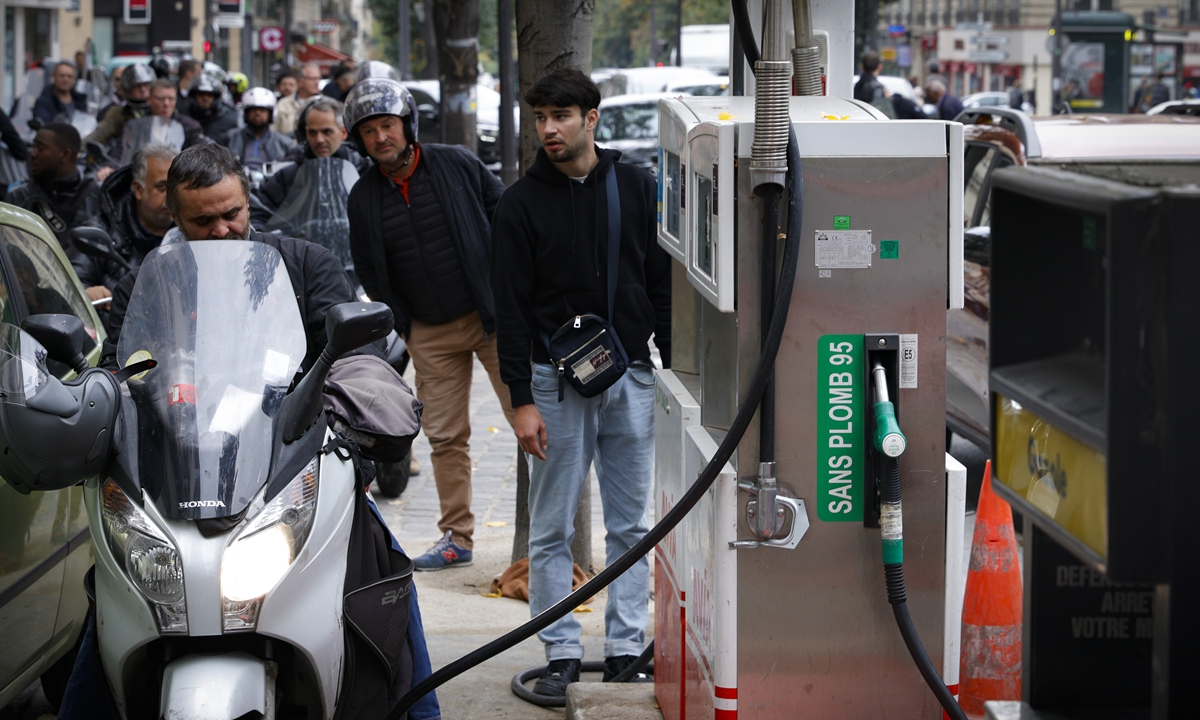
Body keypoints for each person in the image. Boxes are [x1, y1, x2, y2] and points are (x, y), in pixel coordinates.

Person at [62, 143, 442, 720]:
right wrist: (100, 404)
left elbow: (357, 353)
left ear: (248, 201)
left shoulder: (304, 263)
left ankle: (422, 712)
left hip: (292, 464)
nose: (222, 229)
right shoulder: (154, 280)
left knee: (385, 570)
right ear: (173, 215)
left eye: (231, 213)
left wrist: (361, 402)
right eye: (203, 220)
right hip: (177, 479)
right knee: (117, 596)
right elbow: (125, 369)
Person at [490, 68, 671, 696]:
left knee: (631, 525)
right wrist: (519, 401)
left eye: (561, 115)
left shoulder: (636, 184)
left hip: (631, 377)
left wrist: (667, 370)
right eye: (540, 117)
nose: (548, 129)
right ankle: (560, 651)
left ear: (591, 118)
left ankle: (626, 647)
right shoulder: (518, 204)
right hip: (552, 384)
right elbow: (508, 311)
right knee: (551, 528)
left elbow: (660, 284)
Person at [346, 77, 516, 571]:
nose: (381, 137)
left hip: (492, 320)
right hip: (429, 333)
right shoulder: (363, 197)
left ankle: (551, 532)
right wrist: (402, 321)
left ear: (407, 125)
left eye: (388, 125)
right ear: (359, 141)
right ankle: (456, 538)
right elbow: (368, 269)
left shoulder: (455, 163)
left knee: (530, 422)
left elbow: (503, 213)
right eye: (370, 131)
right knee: (444, 437)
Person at [73, 142, 178, 304]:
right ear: (138, 189)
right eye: (162, 187)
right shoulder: (101, 232)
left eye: (175, 187)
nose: (171, 197)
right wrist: (87, 294)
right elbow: (69, 288)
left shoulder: (191, 230)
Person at [253, 96, 368, 224]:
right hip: (298, 243)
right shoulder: (288, 175)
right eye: (313, 133)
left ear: (343, 133)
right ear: (306, 133)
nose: (319, 139)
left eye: (327, 132)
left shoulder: (363, 170)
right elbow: (260, 214)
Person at [5, 122, 98, 253]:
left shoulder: (94, 197)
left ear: (65, 155)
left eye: (40, 148)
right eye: (33, 146)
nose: (32, 153)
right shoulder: (20, 195)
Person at [112, 79, 205, 166]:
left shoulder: (189, 126)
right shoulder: (136, 126)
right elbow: (121, 150)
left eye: (171, 99)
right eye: (161, 99)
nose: (166, 104)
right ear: (149, 100)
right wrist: (109, 166)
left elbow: (201, 151)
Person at [86, 63, 156, 168]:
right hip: (128, 165)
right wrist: (79, 148)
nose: (143, 90)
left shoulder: (161, 108)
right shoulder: (118, 113)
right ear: (127, 90)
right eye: (137, 86)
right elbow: (101, 132)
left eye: (147, 85)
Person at [222, 87, 293, 171]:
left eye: (262, 110)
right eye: (253, 109)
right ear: (246, 113)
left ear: (271, 114)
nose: (257, 113)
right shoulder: (231, 137)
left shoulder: (284, 143)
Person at [33, 61, 88, 125]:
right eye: (61, 76)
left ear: (74, 78)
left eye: (69, 76)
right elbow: (43, 124)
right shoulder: (44, 101)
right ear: (53, 76)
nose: (66, 80)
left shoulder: (80, 100)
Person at [275, 63, 323, 135]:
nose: (317, 82)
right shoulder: (283, 104)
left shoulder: (326, 104)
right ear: (300, 81)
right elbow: (274, 133)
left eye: (318, 78)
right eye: (312, 79)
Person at [187, 73, 238, 139]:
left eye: (209, 95)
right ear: (194, 97)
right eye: (201, 94)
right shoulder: (185, 117)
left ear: (215, 98)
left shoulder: (230, 120)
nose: (205, 98)